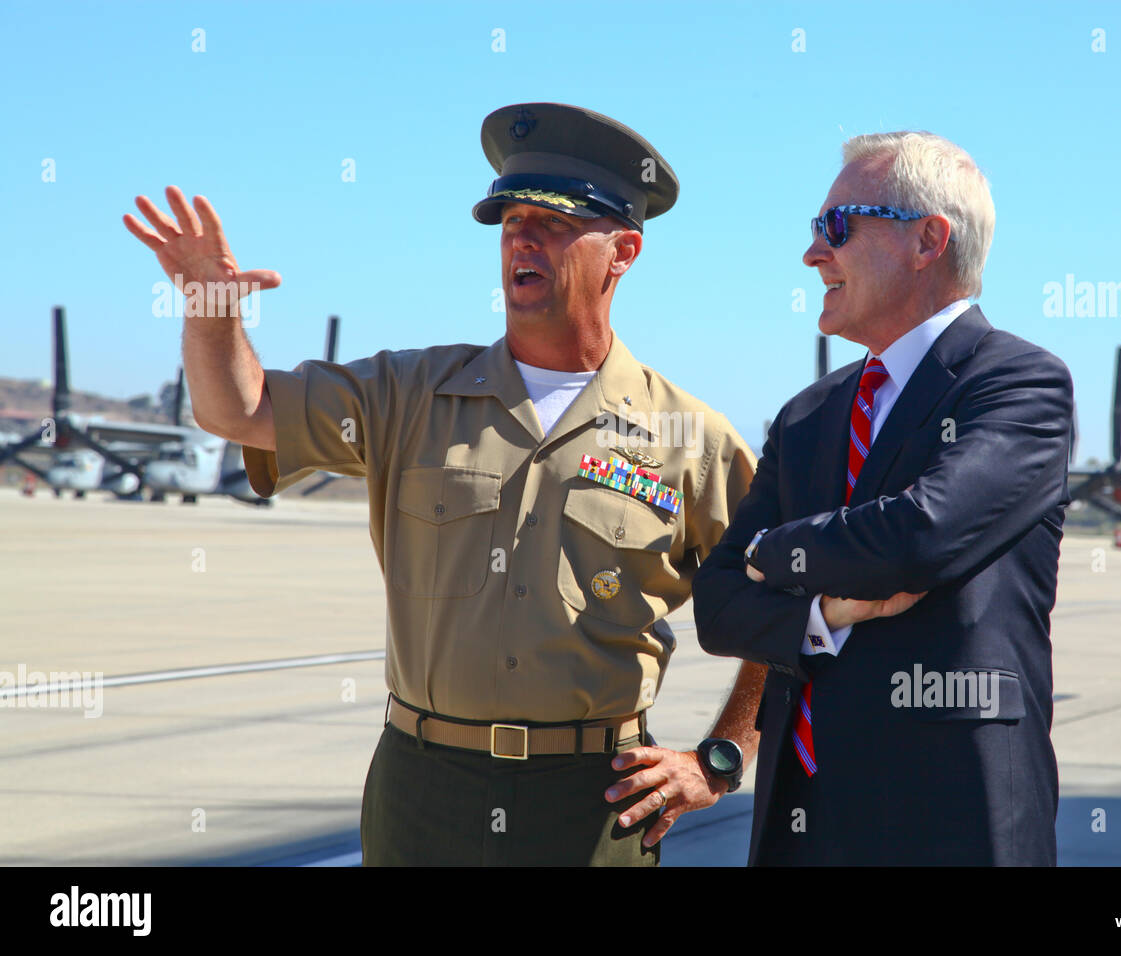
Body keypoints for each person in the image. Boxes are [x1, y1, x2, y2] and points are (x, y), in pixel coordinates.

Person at [123, 102, 764, 866]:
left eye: (552, 222)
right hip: (422, 790)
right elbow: (240, 409)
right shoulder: (407, 394)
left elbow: (781, 616)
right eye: (509, 220)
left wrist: (719, 761)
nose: (521, 237)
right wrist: (211, 312)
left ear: (622, 250)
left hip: (595, 801)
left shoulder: (692, 440)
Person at [692, 131, 1073, 865]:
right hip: (798, 829)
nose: (812, 254)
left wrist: (773, 553)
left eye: (837, 227)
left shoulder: (1019, 385)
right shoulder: (806, 416)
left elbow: (918, 537)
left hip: (947, 829)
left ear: (929, 239)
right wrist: (824, 610)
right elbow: (716, 604)